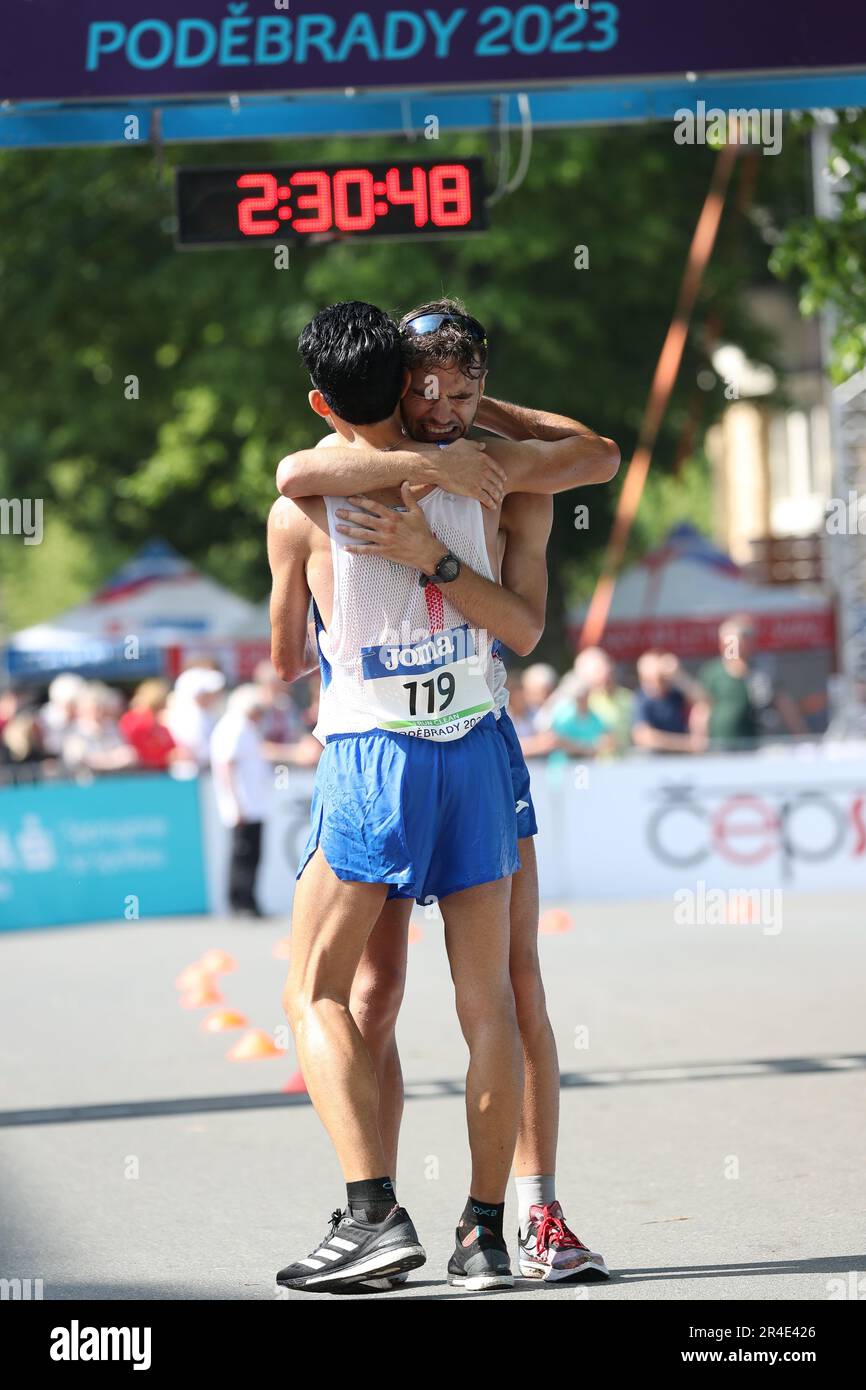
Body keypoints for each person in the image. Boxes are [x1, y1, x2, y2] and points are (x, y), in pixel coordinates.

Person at [275, 297, 619, 1284]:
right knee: (403, 996)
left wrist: (465, 429)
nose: (444, 400)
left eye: (460, 385)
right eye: (425, 385)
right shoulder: (428, 468)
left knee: (442, 991)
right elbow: (302, 467)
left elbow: (592, 455)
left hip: (407, 745)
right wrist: (441, 453)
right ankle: (443, 1221)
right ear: (396, 386)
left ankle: (444, 1212)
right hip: (459, 744)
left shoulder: (463, 470)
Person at [692, 614, 807, 749]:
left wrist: (802, 739)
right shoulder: (713, 672)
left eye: (742, 639)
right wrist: (699, 741)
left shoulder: (763, 669)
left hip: (756, 746)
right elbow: (702, 708)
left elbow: (784, 704)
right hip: (721, 746)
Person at [210, 684, 272, 919]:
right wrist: (235, 803)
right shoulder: (234, 726)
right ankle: (241, 903)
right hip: (244, 804)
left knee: (251, 855)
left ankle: (249, 901)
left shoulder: (244, 726)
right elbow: (227, 765)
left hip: (253, 803)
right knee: (243, 855)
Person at [632, 651, 707, 755]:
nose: (658, 683)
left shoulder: (674, 694)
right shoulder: (641, 699)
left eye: (662, 678)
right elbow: (643, 736)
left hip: (680, 759)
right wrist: (685, 745)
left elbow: (702, 700)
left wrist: (678, 675)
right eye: (653, 678)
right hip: (654, 761)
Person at [61, 682, 138, 775]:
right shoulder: (73, 731)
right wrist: (111, 759)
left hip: (115, 780)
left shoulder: (112, 726)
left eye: (99, 708)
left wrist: (102, 760)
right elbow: (79, 760)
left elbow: (129, 755)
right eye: (92, 708)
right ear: (82, 710)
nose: (97, 712)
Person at [166, 665, 226, 768]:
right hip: (191, 773)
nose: (212, 696)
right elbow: (199, 750)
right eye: (206, 693)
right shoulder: (186, 715)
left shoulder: (206, 713)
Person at [118, 679, 176, 771]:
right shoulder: (133, 721)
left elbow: (170, 749)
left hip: (161, 771)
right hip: (140, 772)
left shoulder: (160, 726)